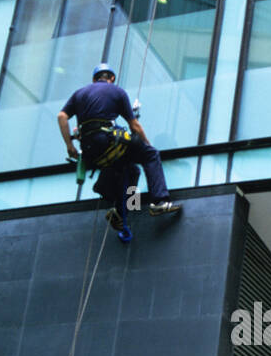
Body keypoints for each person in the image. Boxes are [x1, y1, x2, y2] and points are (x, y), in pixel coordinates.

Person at [58, 64, 181, 243]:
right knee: (150, 155)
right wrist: (146, 144)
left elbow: (61, 116)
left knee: (132, 170)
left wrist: (69, 146)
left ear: (94, 79)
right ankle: (159, 202)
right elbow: (134, 125)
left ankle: (124, 210)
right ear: (112, 78)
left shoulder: (79, 94)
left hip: (91, 151)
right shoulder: (117, 92)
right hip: (108, 141)